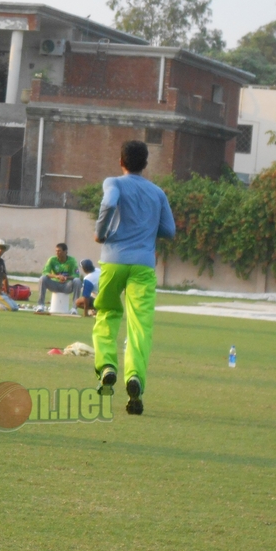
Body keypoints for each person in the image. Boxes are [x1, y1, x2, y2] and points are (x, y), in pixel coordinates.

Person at [93, 140, 175, 415]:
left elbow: (109, 203)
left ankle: (106, 366)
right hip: (143, 265)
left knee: (107, 313)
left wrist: (100, 232)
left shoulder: (113, 183)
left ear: (121, 161)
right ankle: (134, 377)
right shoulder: (157, 192)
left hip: (113, 261)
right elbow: (169, 230)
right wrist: (146, 230)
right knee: (140, 326)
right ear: (146, 164)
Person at [36, 242, 81, 312]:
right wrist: (57, 276)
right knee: (43, 278)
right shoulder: (52, 260)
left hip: (67, 285)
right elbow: (45, 272)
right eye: (56, 251)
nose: (57, 253)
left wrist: (66, 278)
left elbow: (76, 275)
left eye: (59, 251)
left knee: (77, 281)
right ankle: (40, 305)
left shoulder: (72, 261)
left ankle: (74, 308)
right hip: (54, 284)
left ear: (65, 252)